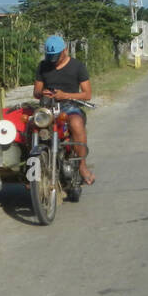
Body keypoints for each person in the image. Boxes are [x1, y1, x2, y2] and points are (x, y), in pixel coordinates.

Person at [32, 34, 94, 186]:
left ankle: (82, 166)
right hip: (47, 107)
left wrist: (65, 95)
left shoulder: (77, 66)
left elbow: (87, 94)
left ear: (65, 51)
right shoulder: (43, 66)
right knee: (31, 125)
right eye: (50, 57)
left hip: (69, 106)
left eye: (56, 57)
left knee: (76, 123)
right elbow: (36, 92)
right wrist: (43, 93)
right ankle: (32, 171)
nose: (53, 60)